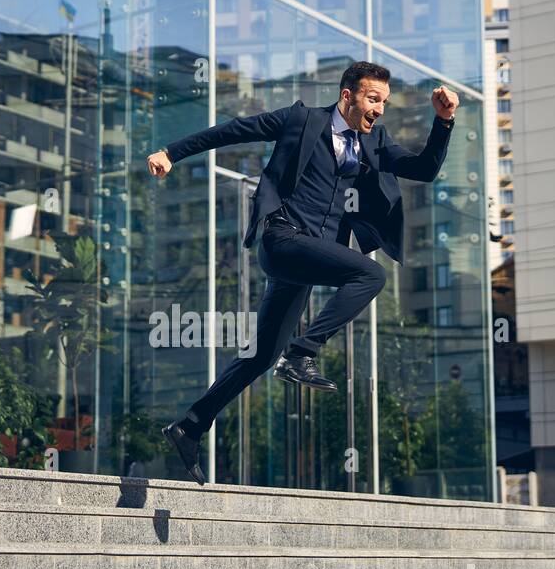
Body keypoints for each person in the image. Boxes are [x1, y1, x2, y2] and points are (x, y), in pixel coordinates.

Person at [146, 61, 459, 485]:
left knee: (260, 356)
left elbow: (424, 169)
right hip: (281, 238)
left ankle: (189, 426)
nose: (379, 109)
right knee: (370, 275)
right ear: (347, 95)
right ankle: (303, 352)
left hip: (309, 257)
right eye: (373, 99)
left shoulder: (374, 142)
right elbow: (231, 131)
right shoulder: (300, 120)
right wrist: (172, 152)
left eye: (384, 102)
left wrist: (443, 122)